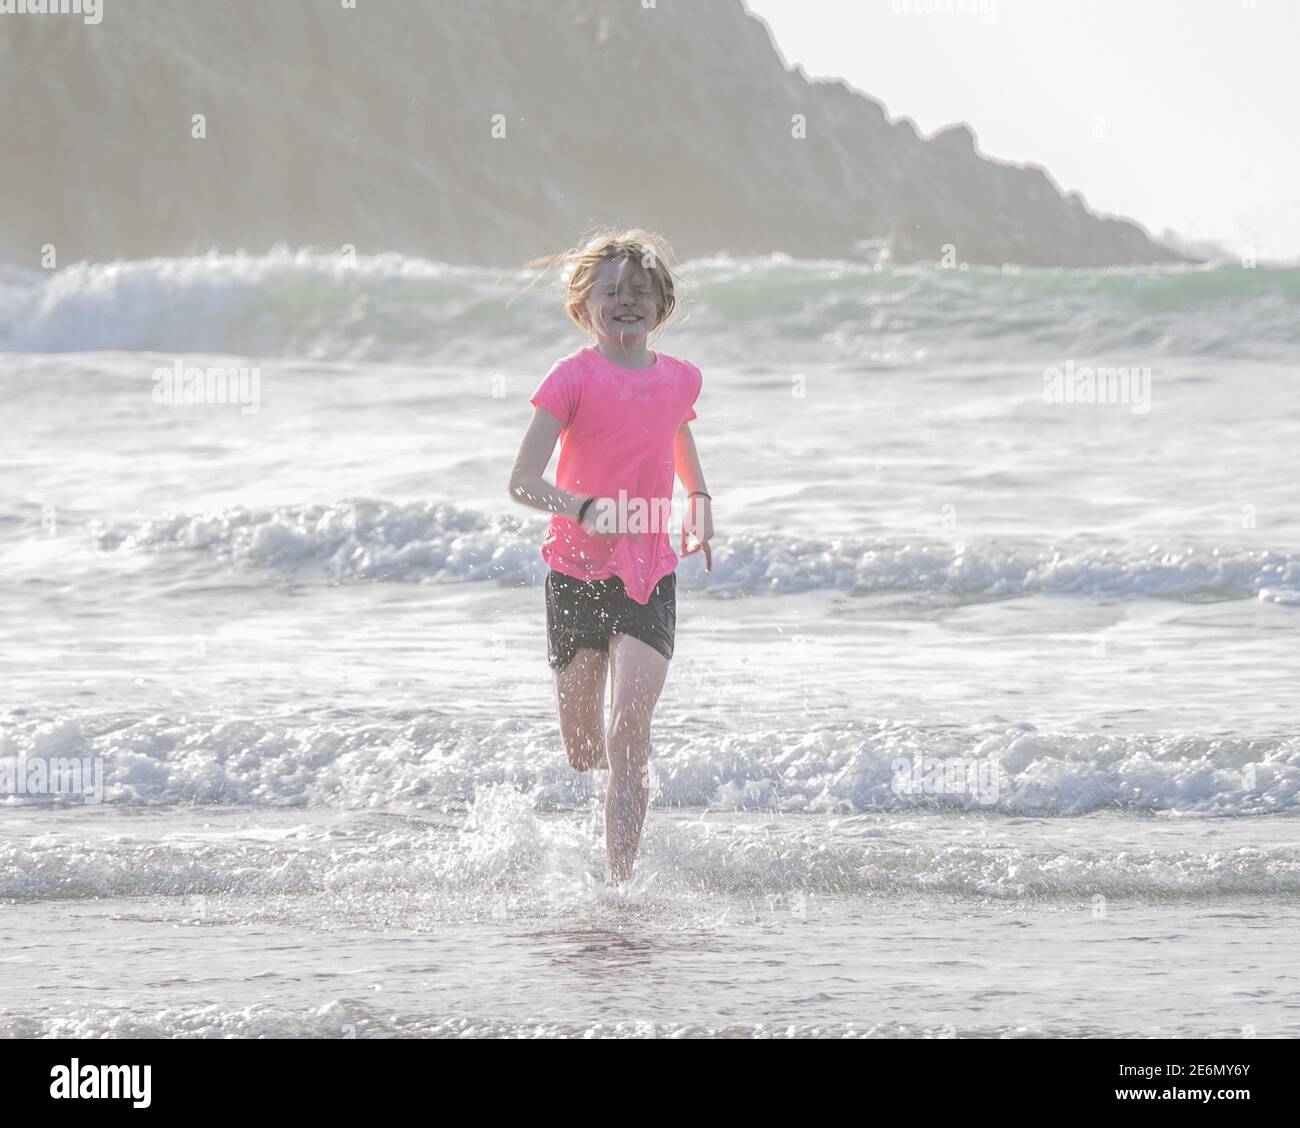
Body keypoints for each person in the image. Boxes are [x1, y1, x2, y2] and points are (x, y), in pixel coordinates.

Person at [508, 228, 713, 885]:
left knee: (629, 732)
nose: (629, 301)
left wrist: (700, 498)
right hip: (575, 571)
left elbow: (675, 435)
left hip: (649, 568)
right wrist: (583, 508)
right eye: (613, 291)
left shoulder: (680, 379)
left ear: (662, 304)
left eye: (642, 291)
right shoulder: (571, 379)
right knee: (584, 749)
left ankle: (619, 882)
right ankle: (578, 846)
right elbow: (521, 482)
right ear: (583, 306)